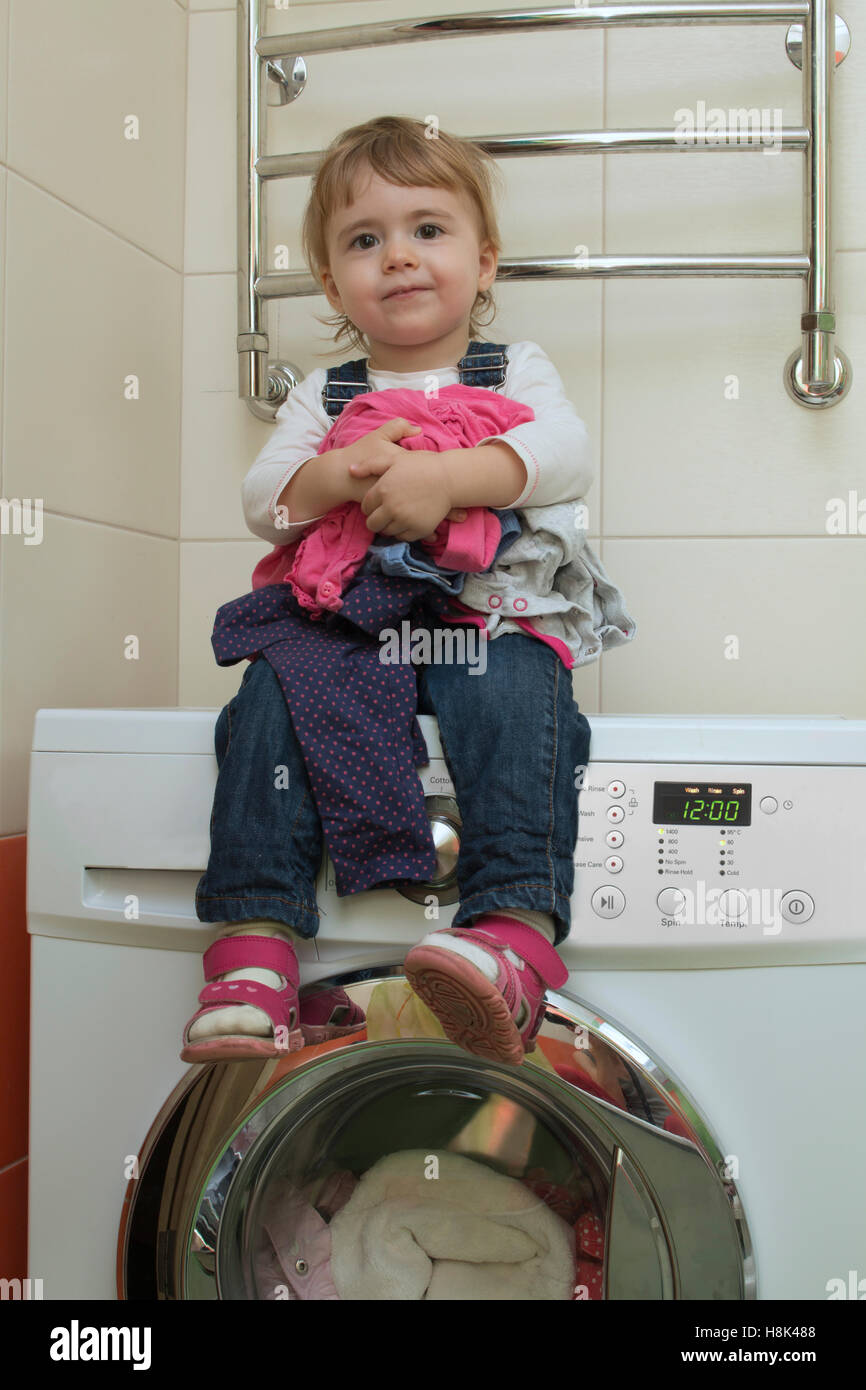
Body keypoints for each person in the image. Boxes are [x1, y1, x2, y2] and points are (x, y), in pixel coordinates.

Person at [182, 115, 632, 1068]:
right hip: (352, 622)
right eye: (364, 240)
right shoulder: (325, 393)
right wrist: (341, 474)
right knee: (271, 694)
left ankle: (510, 933)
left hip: (482, 610)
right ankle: (253, 947)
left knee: (517, 691)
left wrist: (451, 479)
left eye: (428, 229)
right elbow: (267, 502)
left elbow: (565, 455)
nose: (399, 257)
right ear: (333, 276)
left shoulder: (516, 368)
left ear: (486, 259)